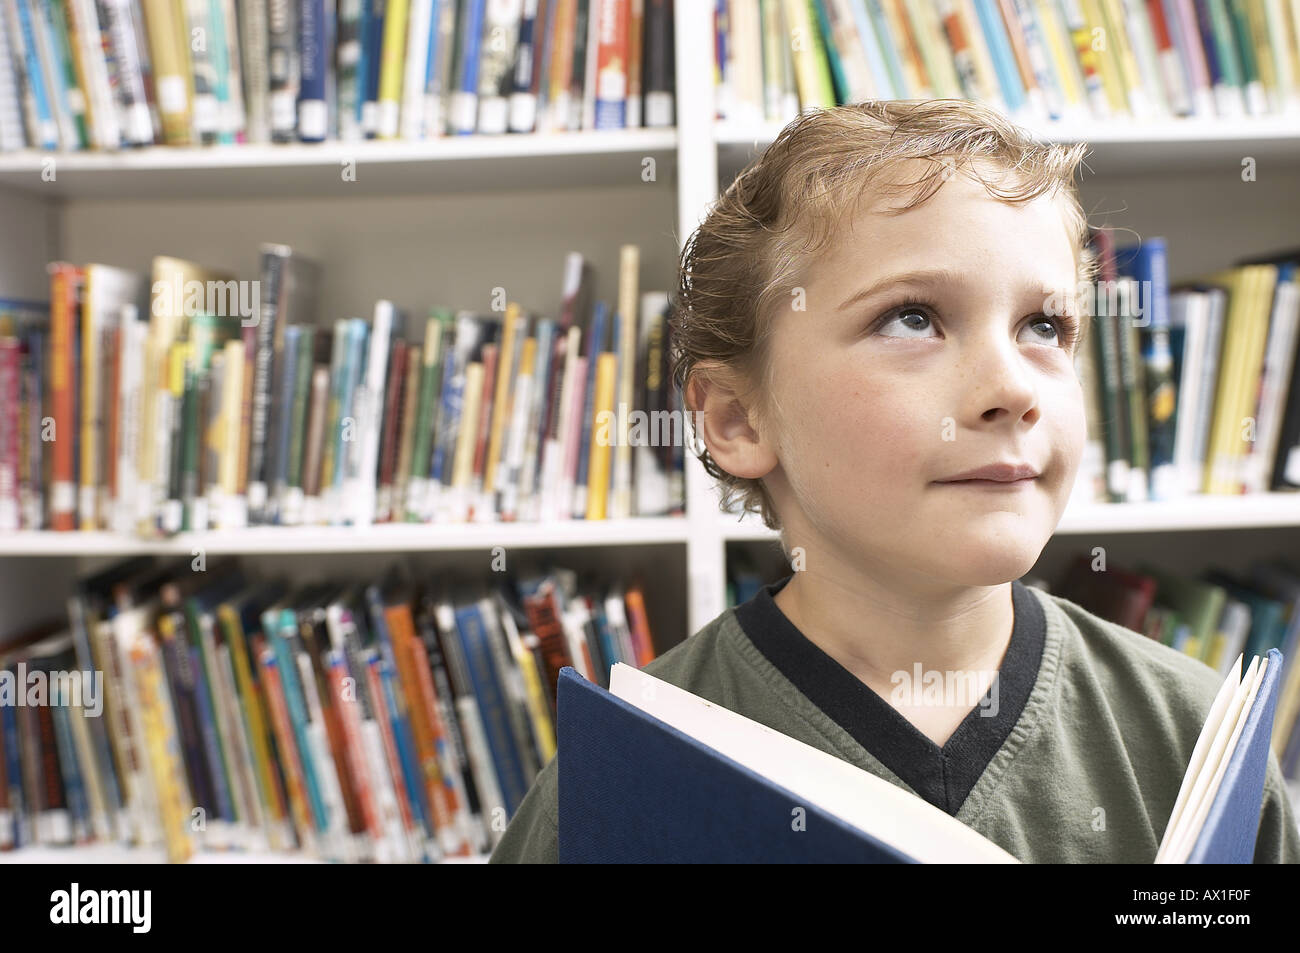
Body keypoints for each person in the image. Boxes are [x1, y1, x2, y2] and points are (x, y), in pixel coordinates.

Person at [488, 99, 1300, 864]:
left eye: (1044, 326)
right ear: (736, 419)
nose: (1013, 389)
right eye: (912, 317)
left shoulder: (1198, 744)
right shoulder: (619, 778)